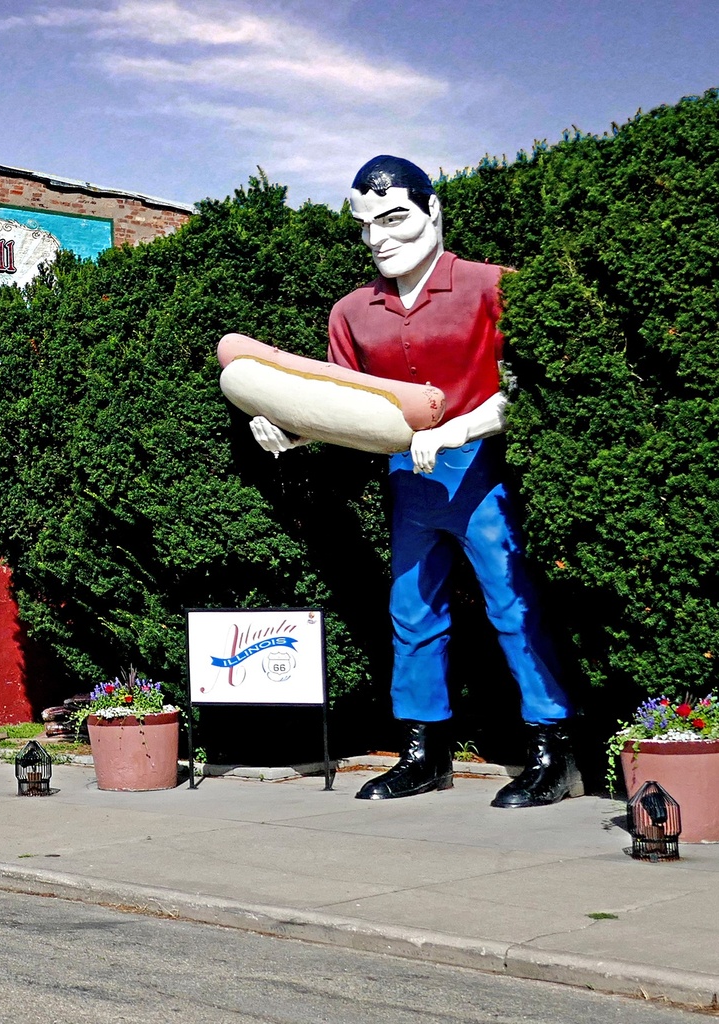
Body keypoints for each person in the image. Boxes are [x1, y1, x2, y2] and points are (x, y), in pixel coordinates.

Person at [248, 155, 581, 808]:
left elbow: (528, 388)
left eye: (393, 216)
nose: (379, 237)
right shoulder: (352, 313)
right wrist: (292, 428)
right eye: (365, 225)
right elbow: (346, 407)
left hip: (481, 472)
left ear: (432, 211)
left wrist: (456, 432)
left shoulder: (490, 287)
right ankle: (424, 749)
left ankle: (553, 747)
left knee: (511, 607)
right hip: (409, 480)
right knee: (411, 614)